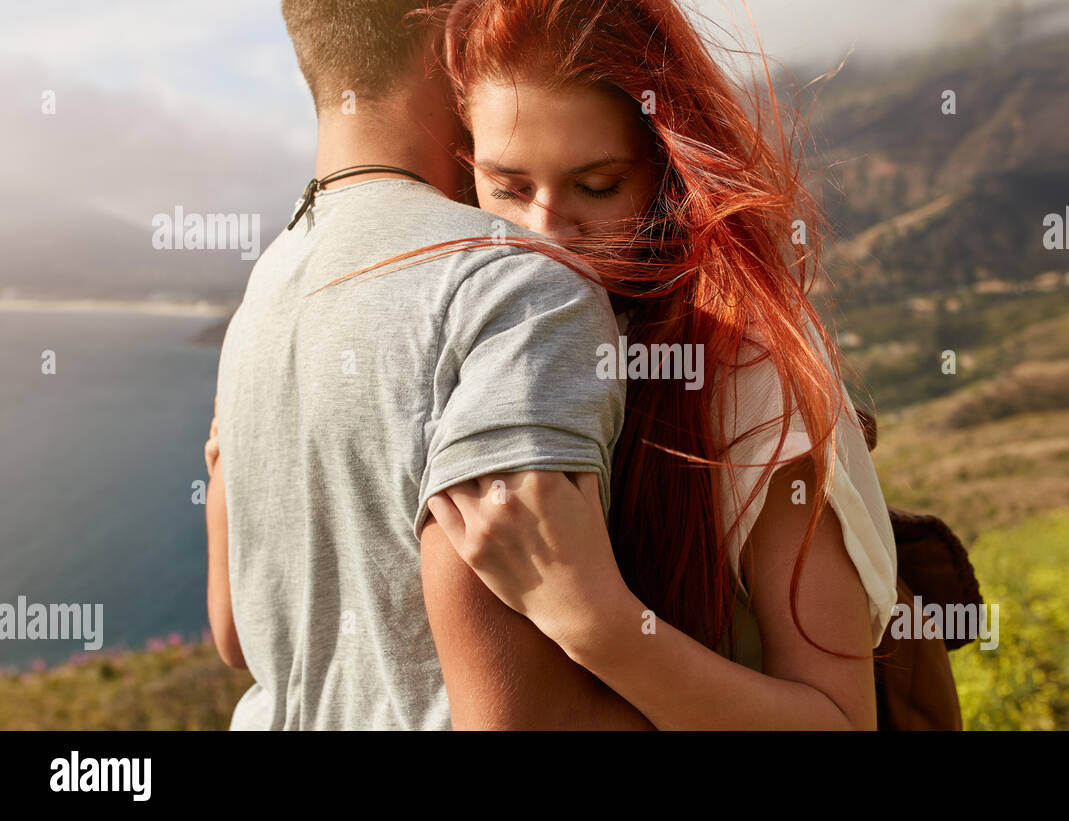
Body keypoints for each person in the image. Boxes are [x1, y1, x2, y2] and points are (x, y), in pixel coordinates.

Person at [388, 0, 900, 729]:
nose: (545, 236)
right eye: (507, 188)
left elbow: (841, 720)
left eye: (597, 187)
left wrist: (597, 620)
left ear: (666, 176)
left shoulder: (741, 369)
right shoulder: (463, 339)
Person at [205, 0, 656, 730]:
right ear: (458, 39)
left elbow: (235, 636)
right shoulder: (519, 286)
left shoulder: (261, 296)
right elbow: (517, 719)